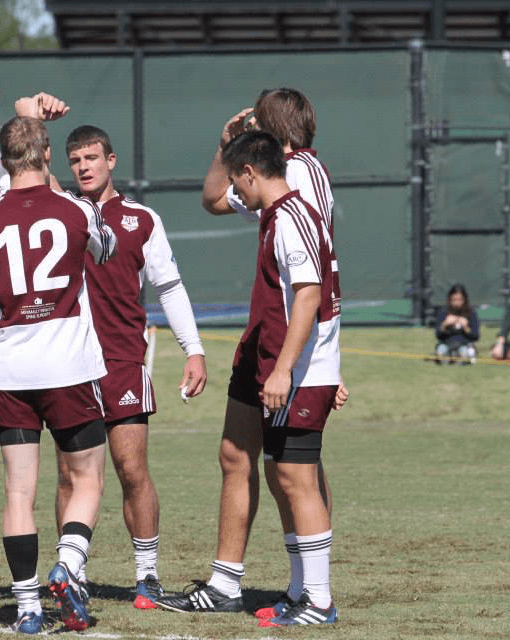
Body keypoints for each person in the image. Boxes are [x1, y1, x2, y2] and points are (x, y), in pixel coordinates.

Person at [157, 131, 341, 628]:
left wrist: (288, 368)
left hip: (295, 371)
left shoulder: (291, 218)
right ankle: (272, 590)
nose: (237, 189)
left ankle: (318, 600)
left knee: (296, 478)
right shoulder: (281, 215)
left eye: (239, 179)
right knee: (268, 467)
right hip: (277, 362)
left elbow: (309, 295)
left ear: (250, 173)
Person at [0, 115, 117, 634]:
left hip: (11, 368)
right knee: (88, 477)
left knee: (18, 492)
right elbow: (106, 248)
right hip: (69, 365)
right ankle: (67, 566)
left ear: (1, 158)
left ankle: (27, 608)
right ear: (47, 153)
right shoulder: (75, 209)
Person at [56, 124, 207, 608]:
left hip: (122, 360)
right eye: (75, 159)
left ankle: (147, 577)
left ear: (111, 160)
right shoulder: (61, 214)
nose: (84, 167)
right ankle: (72, 572)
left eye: (92, 157)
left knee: (131, 469)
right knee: (69, 474)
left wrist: (194, 349)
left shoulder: (142, 219)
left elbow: (169, 287)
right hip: (67, 364)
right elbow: (9, 173)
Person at [434, 284, 480, 364]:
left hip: (463, 343)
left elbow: (475, 336)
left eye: (459, 300)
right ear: (450, 300)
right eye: (454, 300)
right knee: (441, 353)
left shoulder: (471, 313)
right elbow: (438, 335)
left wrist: (466, 327)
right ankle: (448, 356)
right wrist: (445, 325)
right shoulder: (443, 312)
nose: (456, 303)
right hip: (446, 343)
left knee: (463, 356)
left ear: (464, 300)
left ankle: (463, 356)